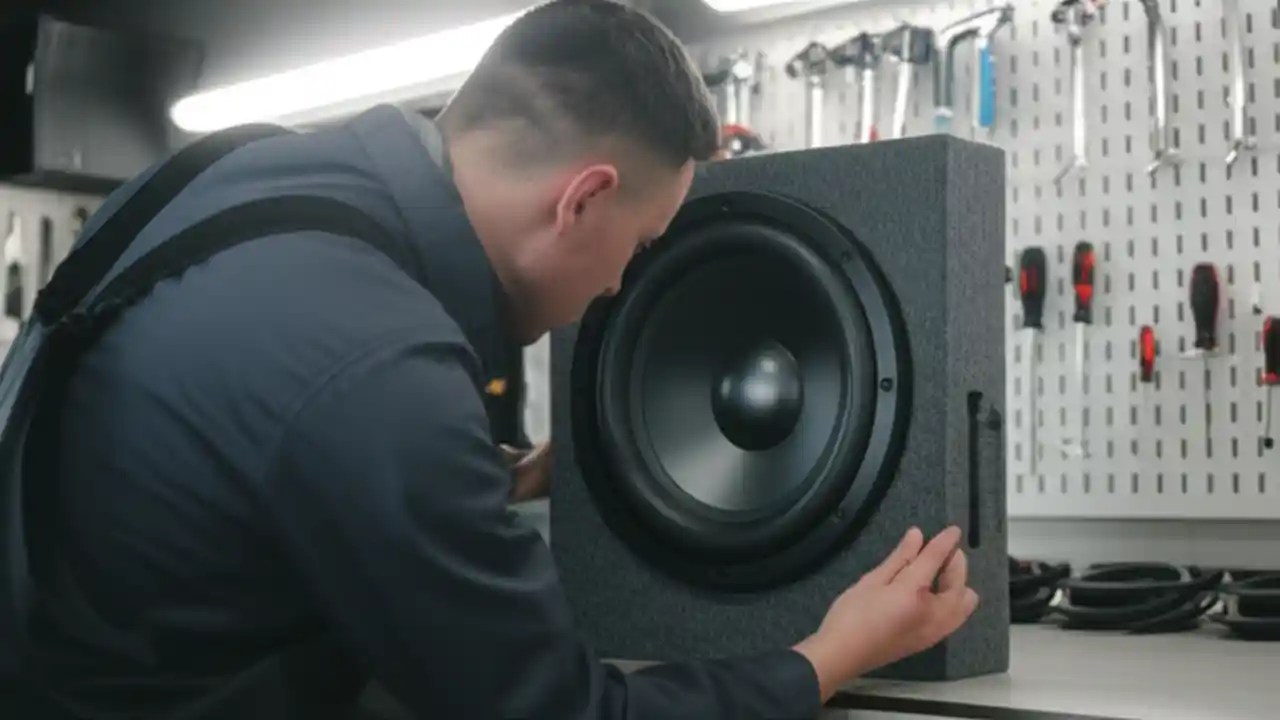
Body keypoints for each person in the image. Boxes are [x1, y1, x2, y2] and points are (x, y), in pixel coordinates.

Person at [5, 0, 978, 717]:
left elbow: (242, 464)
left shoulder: (238, 172)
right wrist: (825, 658)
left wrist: (496, 482)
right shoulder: (379, 363)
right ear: (582, 200)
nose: (614, 289)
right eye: (638, 249)